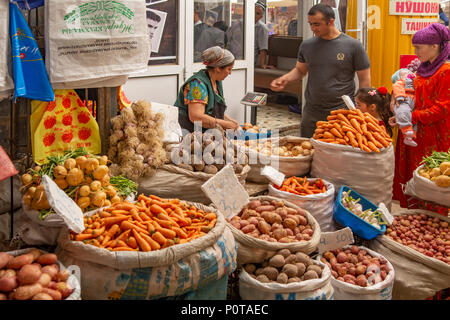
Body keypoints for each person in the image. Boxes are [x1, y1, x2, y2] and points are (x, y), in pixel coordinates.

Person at [270, 3, 371, 138]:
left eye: (317, 24)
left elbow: (365, 79)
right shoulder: (307, 45)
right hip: (312, 111)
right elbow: (300, 70)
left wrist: (362, 109)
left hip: (341, 112)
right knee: (307, 149)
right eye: (310, 24)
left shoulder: (353, 46)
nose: (312, 28)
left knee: (336, 154)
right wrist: (285, 79)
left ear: (331, 21)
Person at [392, 23, 450, 208]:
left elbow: (443, 108)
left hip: (434, 136)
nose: (416, 52)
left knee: (431, 180)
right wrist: (400, 116)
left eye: (419, 47)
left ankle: (435, 222)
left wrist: (412, 117)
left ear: (435, 46)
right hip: (414, 133)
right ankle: (416, 217)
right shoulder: (423, 69)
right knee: (413, 180)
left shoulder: (446, 71)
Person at [174, 46, 240, 133]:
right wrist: (225, 124)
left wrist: (229, 121)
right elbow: (196, 117)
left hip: (203, 133)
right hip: (188, 132)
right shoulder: (197, 84)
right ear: (218, 68)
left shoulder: (216, 81)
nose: (230, 73)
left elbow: (211, 111)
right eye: (229, 69)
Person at [391, 68, 417, 147]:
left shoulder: (415, 83)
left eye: (408, 73)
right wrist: (399, 97)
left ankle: (411, 136)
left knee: (415, 121)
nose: (407, 75)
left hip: (414, 103)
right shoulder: (400, 82)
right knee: (403, 112)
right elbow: (397, 88)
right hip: (404, 100)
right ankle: (407, 131)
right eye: (403, 74)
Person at [255, 2, 270, 69]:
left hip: (248, 60)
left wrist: (262, 64)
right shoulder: (237, 24)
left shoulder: (262, 28)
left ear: (261, 16)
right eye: (253, 12)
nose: (254, 15)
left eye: (257, 13)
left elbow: (263, 48)